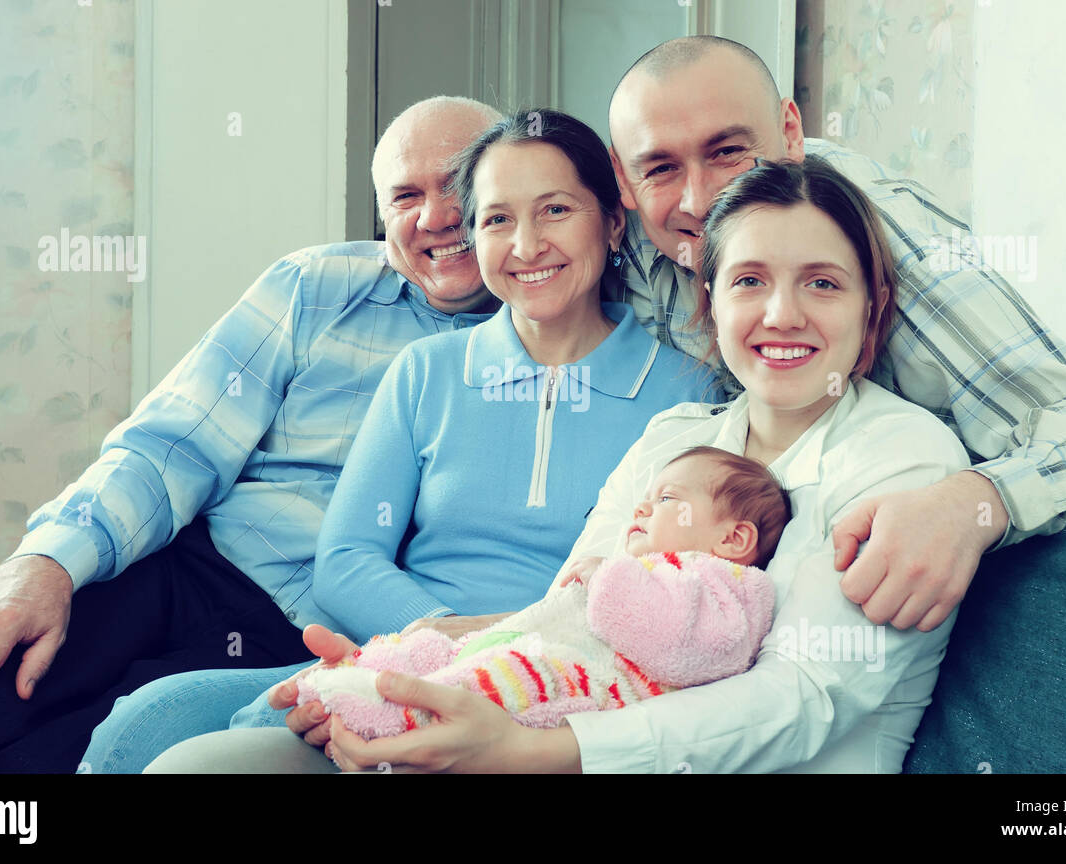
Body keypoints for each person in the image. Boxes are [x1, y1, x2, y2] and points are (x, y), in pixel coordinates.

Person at [145, 155, 972, 774]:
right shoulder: (681, 435)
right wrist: (405, 667)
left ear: (874, 310)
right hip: (552, 724)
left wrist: (523, 751)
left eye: (823, 283)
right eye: (749, 280)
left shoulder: (902, 457)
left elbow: (802, 703)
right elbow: (572, 609)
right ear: (710, 302)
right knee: (205, 758)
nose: (780, 313)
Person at [82, 108, 719, 772]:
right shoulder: (429, 371)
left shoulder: (685, 393)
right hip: (406, 655)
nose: (526, 246)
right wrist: (438, 638)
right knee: (140, 726)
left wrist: (500, 650)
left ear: (613, 223)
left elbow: (675, 580)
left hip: (562, 681)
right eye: (498, 219)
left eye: (556, 210)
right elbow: (348, 557)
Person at [0, 96, 507, 773]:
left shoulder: (554, 352)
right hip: (189, 568)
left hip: (317, 638)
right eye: (404, 196)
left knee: (80, 756)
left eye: (457, 184)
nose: (436, 216)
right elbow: (170, 446)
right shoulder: (316, 286)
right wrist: (45, 565)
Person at [604, 37, 1066, 633]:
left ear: (789, 133)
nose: (701, 200)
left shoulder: (889, 249)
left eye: (728, 151)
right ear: (623, 177)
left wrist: (970, 505)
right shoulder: (639, 233)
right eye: (661, 168)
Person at [287, 446, 787, 741]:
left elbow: (685, 647)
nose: (641, 510)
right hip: (523, 644)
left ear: (733, 538)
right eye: (646, 498)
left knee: (486, 679)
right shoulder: (654, 568)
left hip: (579, 685)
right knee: (438, 649)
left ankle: (379, 712)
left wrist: (609, 576)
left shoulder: (727, 587)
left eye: (667, 500)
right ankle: (349, 678)